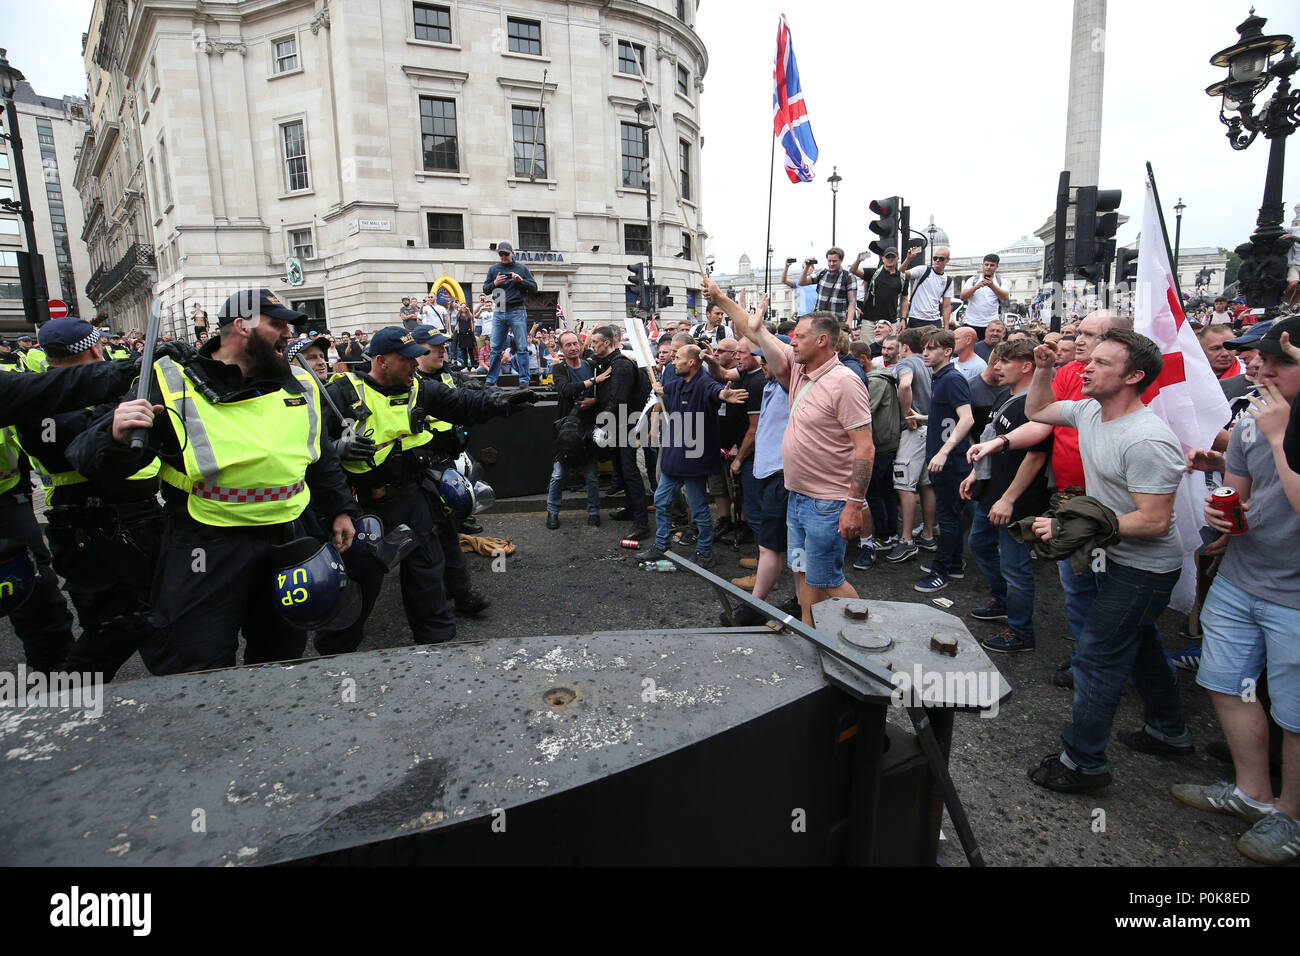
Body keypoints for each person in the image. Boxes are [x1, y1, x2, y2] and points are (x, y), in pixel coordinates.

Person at [66, 289, 360, 675]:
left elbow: (318, 457)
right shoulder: (170, 381)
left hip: (289, 535)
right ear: (240, 326)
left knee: (281, 655)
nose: (289, 335)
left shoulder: (300, 382)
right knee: (197, 663)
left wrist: (340, 509)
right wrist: (116, 436)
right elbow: (85, 458)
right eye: (276, 324)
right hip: (206, 541)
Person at [1024, 329, 1191, 792]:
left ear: (1134, 376)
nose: (1086, 367)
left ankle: (1083, 763)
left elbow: (1155, 521)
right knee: (1140, 645)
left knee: (1098, 657)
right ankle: (1168, 730)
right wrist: (1042, 370)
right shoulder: (1089, 410)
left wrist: (1070, 527)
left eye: (1101, 362)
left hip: (1144, 570)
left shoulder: (1147, 439)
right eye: (1088, 359)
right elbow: (1036, 410)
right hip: (1114, 560)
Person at [322, 327, 537, 650]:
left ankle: (439, 651)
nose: (414, 364)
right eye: (406, 359)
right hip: (365, 508)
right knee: (360, 585)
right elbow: (309, 449)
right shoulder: (341, 393)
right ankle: (333, 658)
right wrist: (337, 448)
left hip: (412, 497)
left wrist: (499, 402)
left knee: (428, 578)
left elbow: (462, 404)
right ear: (381, 361)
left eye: (415, 357)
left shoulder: (419, 388)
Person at [1174, 316, 1300, 865]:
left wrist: (1278, 436)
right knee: (1229, 684)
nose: (1260, 367)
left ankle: (1291, 818)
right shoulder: (1253, 414)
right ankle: (1253, 794)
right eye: (1256, 356)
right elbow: (1242, 496)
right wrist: (1221, 498)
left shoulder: (1272, 422)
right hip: (1242, 578)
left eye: (1279, 361)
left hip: (1294, 596)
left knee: (1296, 716)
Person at [712, 279, 875, 626]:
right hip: (798, 496)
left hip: (828, 503)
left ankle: (872, 638)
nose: (792, 341)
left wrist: (853, 506)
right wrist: (722, 299)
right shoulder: (800, 368)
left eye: (799, 336)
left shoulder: (845, 382)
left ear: (822, 341)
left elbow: (865, 448)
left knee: (827, 580)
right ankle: (809, 635)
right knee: (802, 573)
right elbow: (755, 333)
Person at [12, 317, 164, 681]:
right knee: (118, 625)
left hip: (128, 519)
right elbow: (78, 443)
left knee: (158, 615)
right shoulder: (42, 400)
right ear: (97, 348)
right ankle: (70, 696)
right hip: (94, 527)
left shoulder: (41, 393)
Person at [961, 338, 1050, 652]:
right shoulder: (1006, 395)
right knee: (980, 544)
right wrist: (975, 474)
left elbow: (1036, 455)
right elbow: (991, 440)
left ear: (1026, 366)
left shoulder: (1036, 404)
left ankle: (1021, 632)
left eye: (1004, 361)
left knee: (1015, 565)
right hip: (992, 490)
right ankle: (1002, 600)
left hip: (1016, 499)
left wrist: (1009, 499)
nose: (995, 366)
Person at [634, 344, 749, 570]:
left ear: (692, 363)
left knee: (699, 510)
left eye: (678, 358)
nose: (673, 361)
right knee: (661, 500)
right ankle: (661, 545)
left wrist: (724, 394)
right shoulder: (679, 383)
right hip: (674, 458)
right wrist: (659, 389)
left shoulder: (704, 383)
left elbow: (715, 391)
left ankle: (705, 553)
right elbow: (667, 389)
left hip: (695, 461)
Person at [914, 330, 974, 592]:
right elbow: (949, 416)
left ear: (947, 351)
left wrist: (944, 451)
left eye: (931, 348)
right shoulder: (941, 377)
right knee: (952, 516)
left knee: (947, 518)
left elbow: (967, 418)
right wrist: (925, 417)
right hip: (946, 458)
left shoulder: (951, 379)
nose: (925, 353)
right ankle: (954, 563)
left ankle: (941, 572)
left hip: (949, 463)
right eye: (924, 348)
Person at [589, 326, 650, 539]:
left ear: (607, 342)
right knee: (622, 470)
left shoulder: (621, 365)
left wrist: (601, 421)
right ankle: (630, 510)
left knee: (630, 471)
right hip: (617, 425)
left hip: (626, 426)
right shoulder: (610, 363)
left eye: (595, 341)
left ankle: (642, 524)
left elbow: (618, 399)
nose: (592, 345)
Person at [886, 327, 937, 562]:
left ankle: (906, 540)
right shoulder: (929, 364)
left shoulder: (906, 364)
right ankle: (927, 533)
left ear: (904, 347)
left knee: (904, 485)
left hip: (914, 430)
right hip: (931, 427)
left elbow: (905, 385)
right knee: (926, 484)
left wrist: (907, 413)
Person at [547, 330, 602, 529]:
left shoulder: (590, 365)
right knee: (559, 475)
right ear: (560, 349)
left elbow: (603, 392)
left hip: (588, 428)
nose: (573, 348)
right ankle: (552, 512)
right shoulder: (559, 369)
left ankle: (594, 512)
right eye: (567, 345)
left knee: (592, 477)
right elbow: (565, 390)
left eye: (575, 343)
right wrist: (593, 381)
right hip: (567, 430)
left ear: (580, 344)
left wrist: (595, 400)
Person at [482, 242, 537, 385]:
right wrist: (495, 282)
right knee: (495, 348)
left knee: (522, 347)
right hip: (499, 310)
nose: (503, 256)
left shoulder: (522, 268)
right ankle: (491, 380)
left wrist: (521, 280)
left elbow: (534, 288)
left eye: (506, 254)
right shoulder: (494, 269)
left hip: (517, 309)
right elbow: (486, 289)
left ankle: (524, 379)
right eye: (501, 254)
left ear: (513, 253)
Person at [797, 247, 858, 326]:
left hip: (838, 321)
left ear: (841, 260)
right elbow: (801, 282)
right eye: (829, 261)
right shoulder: (822, 273)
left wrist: (849, 323)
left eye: (834, 261)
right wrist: (807, 266)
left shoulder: (848, 277)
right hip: (820, 320)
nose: (831, 264)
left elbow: (852, 302)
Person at [851, 248, 907, 332]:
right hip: (870, 321)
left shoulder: (902, 278)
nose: (890, 259)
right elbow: (853, 270)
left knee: (889, 345)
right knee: (868, 345)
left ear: (897, 259)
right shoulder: (874, 273)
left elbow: (904, 299)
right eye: (888, 257)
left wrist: (903, 319)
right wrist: (858, 261)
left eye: (893, 257)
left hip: (890, 322)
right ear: (883, 259)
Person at [900, 247, 953, 331]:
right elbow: (901, 274)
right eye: (935, 258)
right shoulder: (923, 270)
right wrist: (908, 259)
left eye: (941, 259)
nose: (937, 260)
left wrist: (946, 327)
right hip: (916, 318)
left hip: (935, 320)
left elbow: (946, 306)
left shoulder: (948, 280)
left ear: (947, 260)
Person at [958, 254, 1009, 340]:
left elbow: (1005, 297)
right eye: (986, 264)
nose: (988, 267)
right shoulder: (972, 280)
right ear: (982, 265)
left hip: (990, 324)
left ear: (997, 266)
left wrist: (992, 286)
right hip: (971, 322)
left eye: (992, 265)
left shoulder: (1001, 281)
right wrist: (976, 286)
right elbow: (962, 297)